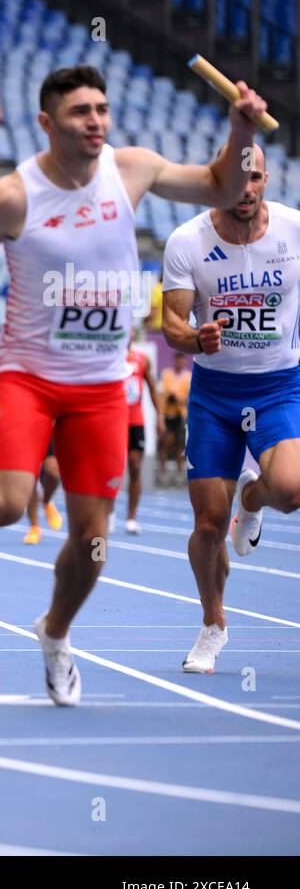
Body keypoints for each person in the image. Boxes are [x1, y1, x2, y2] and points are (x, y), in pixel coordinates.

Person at [0, 64, 267, 706]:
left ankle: (55, 634)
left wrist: (237, 131)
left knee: (92, 546)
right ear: (47, 123)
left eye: (101, 108)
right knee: (4, 508)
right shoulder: (13, 197)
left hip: (99, 388)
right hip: (29, 378)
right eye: (80, 112)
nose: (95, 121)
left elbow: (220, 184)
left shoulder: (133, 169)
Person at [159, 141, 300, 673]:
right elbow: (171, 326)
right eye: (239, 179)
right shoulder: (186, 242)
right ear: (220, 179)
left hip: (279, 387)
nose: (248, 189)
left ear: (268, 179)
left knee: (290, 490)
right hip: (215, 395)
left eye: (258, 178)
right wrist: (197, 338)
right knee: (209, 527)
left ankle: (254, 498)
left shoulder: (294, 230)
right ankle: (212, 624)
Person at [119, 335, 158, 533]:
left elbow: (152, 387)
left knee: (134, 465)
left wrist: (159, 417)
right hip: (114, 420)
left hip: (135, 421)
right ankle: (107, 513)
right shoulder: (110, 357)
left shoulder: (142, 359)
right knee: (111, 469)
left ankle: (131, 517)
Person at [158, 351, 192, 484]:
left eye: (182, 360)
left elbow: (190, 399)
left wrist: (178, 399)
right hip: (167, 414)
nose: (180, 362)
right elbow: (160, 393)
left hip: (181, 414)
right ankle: (163, 473)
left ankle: (179, 473)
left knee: (180, 445)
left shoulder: (188, 377)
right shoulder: (166, 374)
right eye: (178, 360)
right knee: (164, 443)